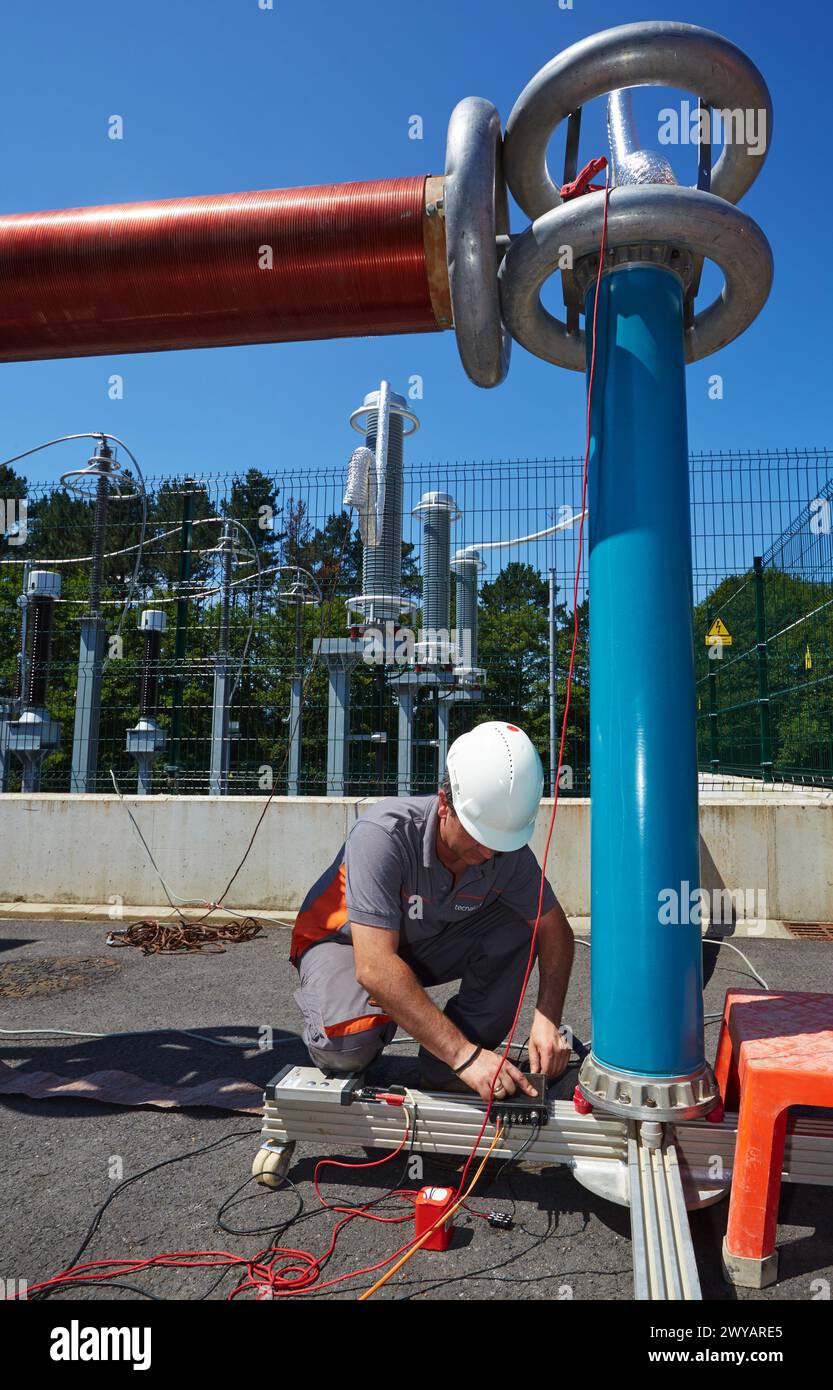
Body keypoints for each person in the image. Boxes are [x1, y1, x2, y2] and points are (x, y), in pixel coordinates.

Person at [289, 721, 574, 1101]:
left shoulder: (506, 850)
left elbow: (555, 929)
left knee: (521, 926)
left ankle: (446, 1063)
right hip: (344, 944)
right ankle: (437, 1041)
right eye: (479, 836)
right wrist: (464, 1055)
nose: (488, 853)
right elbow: (373, 965)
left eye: (499, 842)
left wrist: (547, 1018)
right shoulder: (383, 834)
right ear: (444, 804)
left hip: (421, 944)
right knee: (347, 1046)